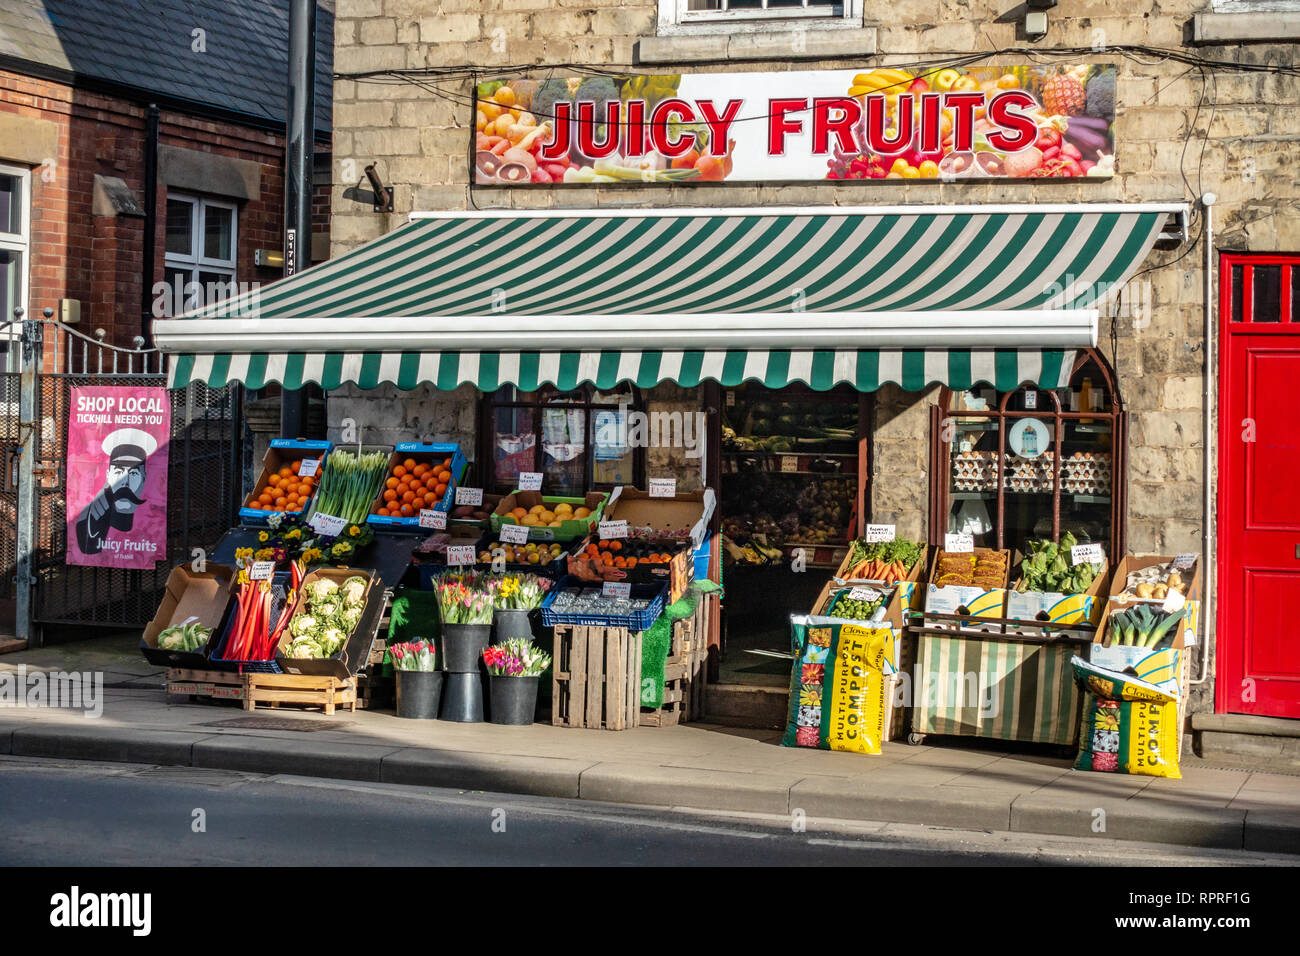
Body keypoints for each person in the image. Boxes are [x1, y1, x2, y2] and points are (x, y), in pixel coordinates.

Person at [75, 427, 157, 555]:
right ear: (108, 475)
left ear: (144, 478)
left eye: (134, 473)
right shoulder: (90, 517)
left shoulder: (156, 515)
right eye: (118, 472)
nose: (125, 482)